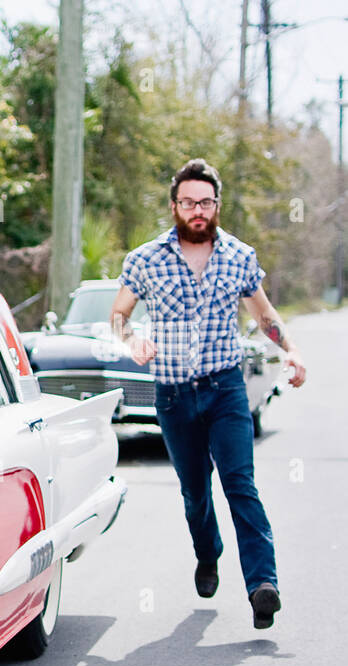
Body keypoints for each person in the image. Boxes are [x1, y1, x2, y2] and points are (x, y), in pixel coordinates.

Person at [111, 157, 307, 630]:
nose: (197, 210)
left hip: (225, 389)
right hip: (174, 395)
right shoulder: (145, 259)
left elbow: (264, 316)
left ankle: (263, 584)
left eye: (205, 202)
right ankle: (208, 552)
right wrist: (131, 340)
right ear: (174, 206)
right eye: (188, 202)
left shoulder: (240, 256)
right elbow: (118, 316)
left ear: (217, 205)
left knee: (240, 483)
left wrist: (292, 350)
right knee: (195, 492)